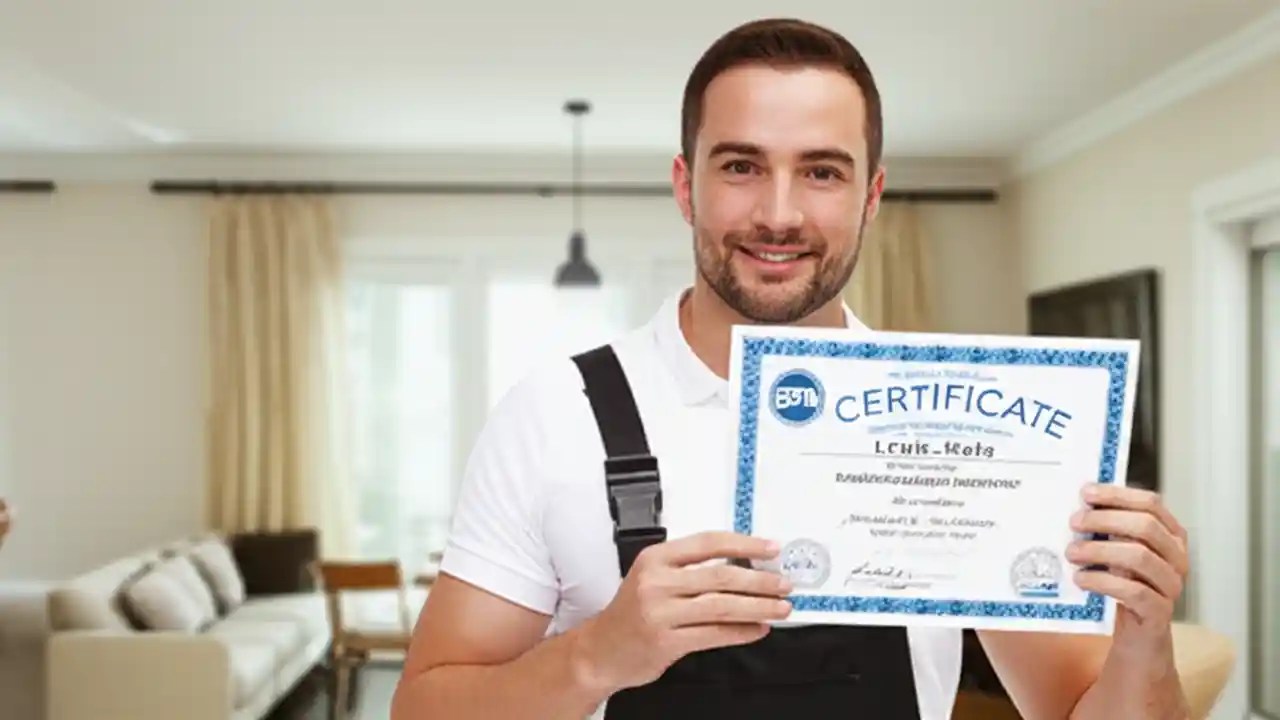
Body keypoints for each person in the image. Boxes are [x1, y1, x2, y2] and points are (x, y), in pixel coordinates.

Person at [392, 17, 1191, 720]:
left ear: (871, 196)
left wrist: (1145, 644)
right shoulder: (555, 414)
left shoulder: (968, 431)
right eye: (741, 166)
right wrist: (598, 654)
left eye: (821, 171)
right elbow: (422, 710)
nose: (778, 213)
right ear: (685, 185)